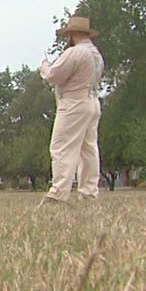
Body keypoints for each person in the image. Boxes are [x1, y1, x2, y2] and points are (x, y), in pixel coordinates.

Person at [39, 15, 105, 205]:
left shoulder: (75, 53)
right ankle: (88, 193)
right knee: (88, 149)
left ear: (72, 34)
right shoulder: (96, 55)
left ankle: (58, 193)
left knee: (62, 147)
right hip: (92, 101)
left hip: (74, 103)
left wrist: (45, 67)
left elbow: (54, 76)